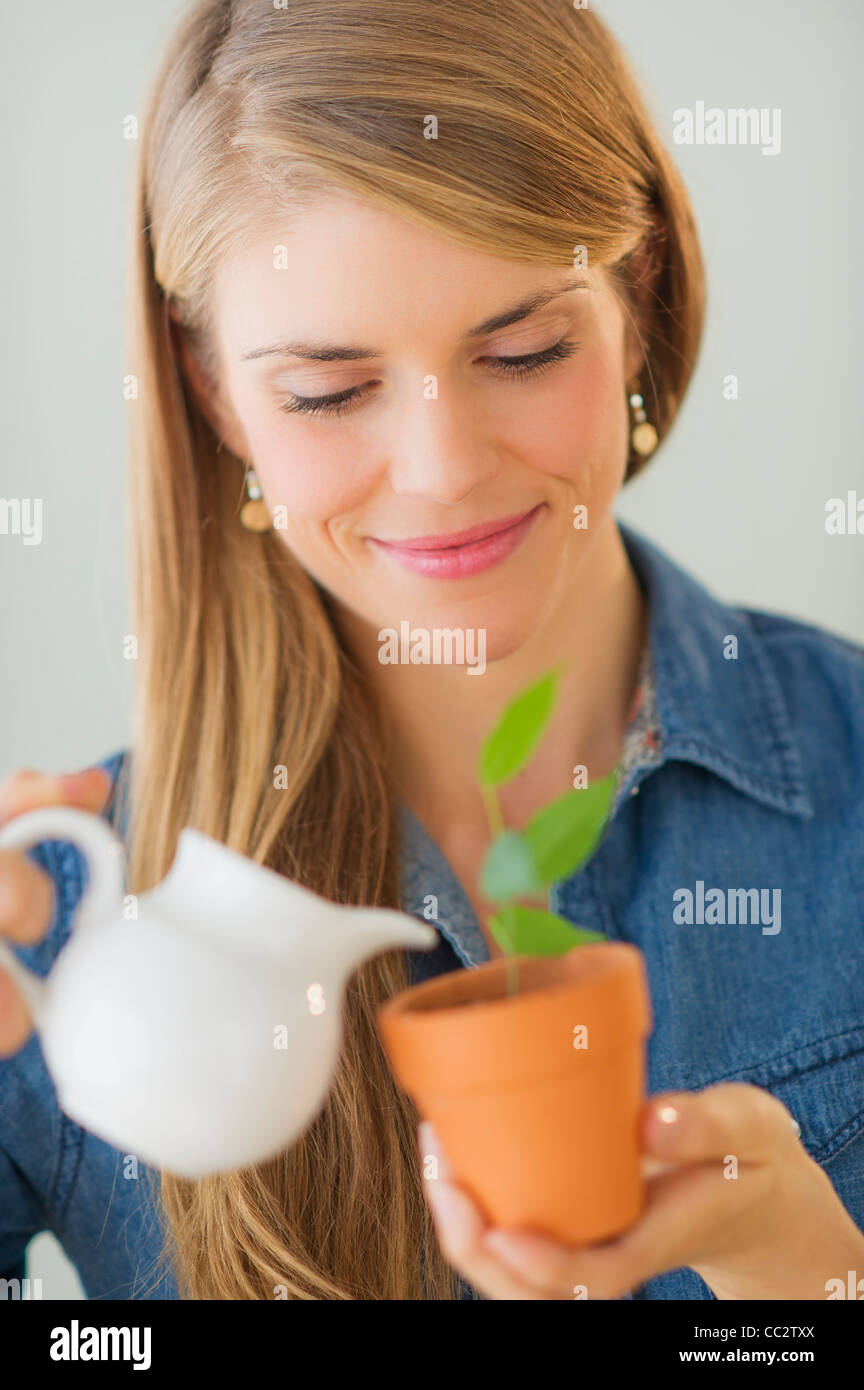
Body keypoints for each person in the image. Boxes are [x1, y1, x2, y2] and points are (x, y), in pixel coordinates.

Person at [2, 0, 863, 1302]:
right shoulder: (66, 938)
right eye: (331, 391)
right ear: (215, 397)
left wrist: (812, 1282)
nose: (446, 471)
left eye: (523, 350)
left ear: (637, 302)